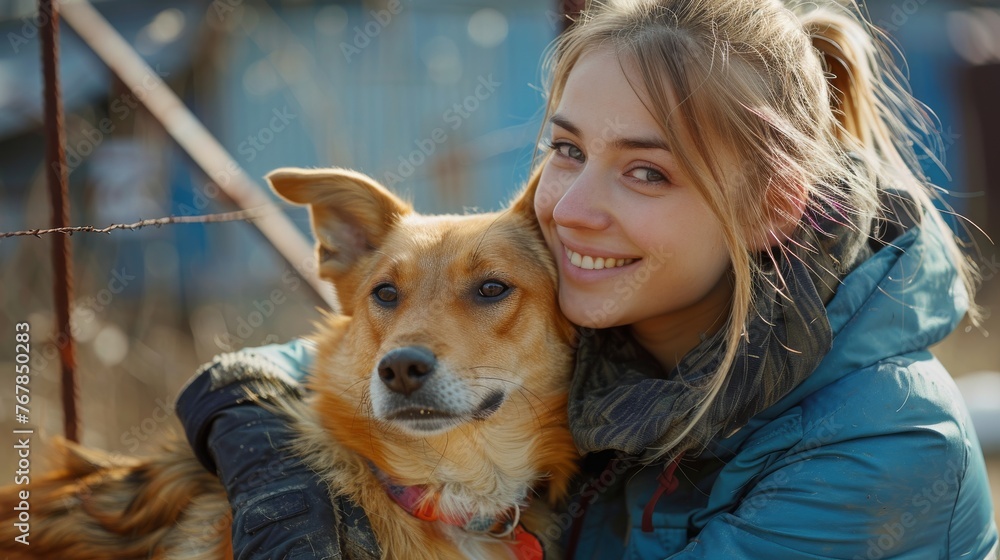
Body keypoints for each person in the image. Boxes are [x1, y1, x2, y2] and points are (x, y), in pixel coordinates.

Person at [176, 0, 999, 557]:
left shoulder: (883, 449)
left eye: (647, 174)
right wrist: (267, 451)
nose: (570, 210)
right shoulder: (603, 328)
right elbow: (360, 356)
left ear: (773, 206)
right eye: (568, 151)